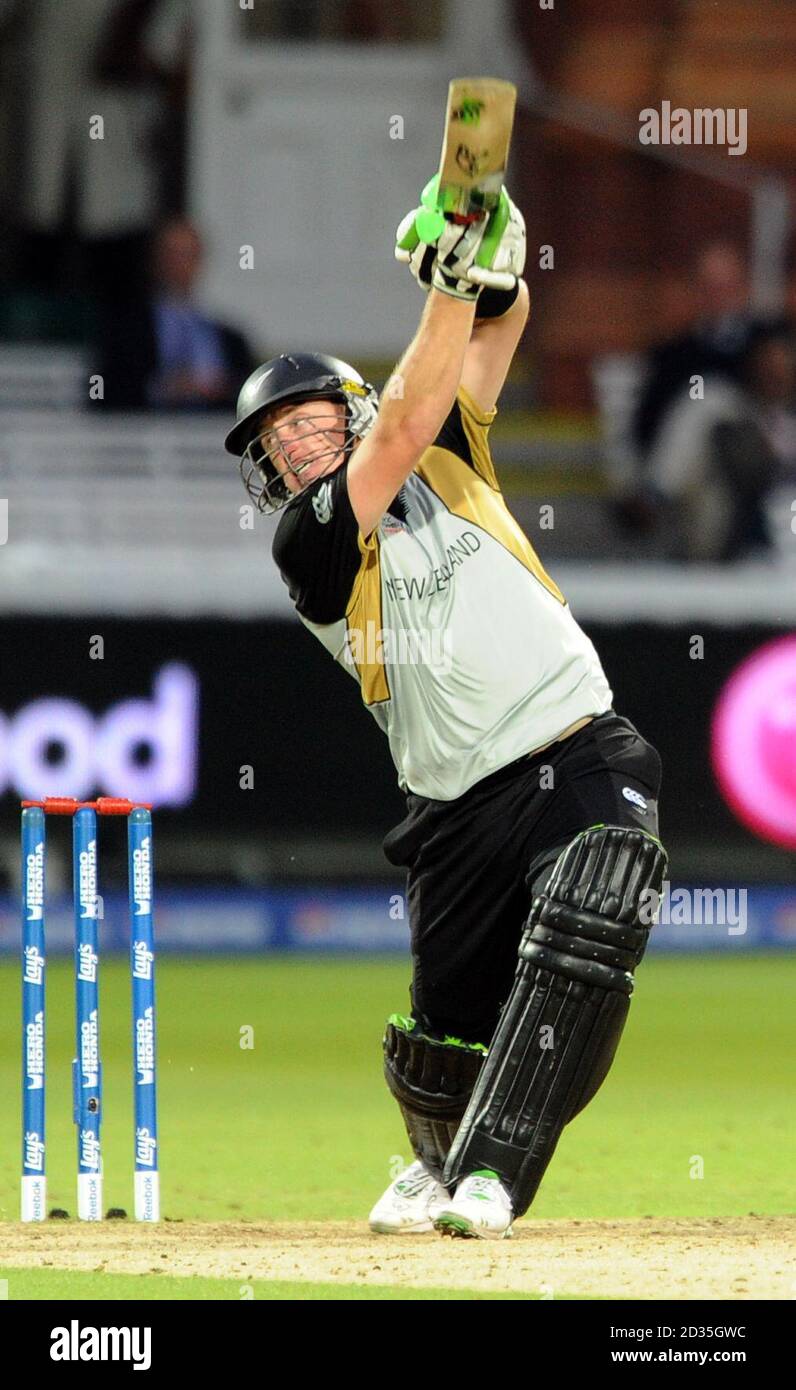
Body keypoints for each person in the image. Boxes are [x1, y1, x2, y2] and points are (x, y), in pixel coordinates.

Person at [225, 192, 668, 1239]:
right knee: (439, 1046)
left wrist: (490, 260)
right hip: (454, 806)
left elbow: (493, 334)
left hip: (575, 742)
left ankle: (495, 1176)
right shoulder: (312, 543)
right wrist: (445, 281)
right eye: (276, 441)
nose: (293, 447)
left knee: (596, 902)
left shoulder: (447, 452)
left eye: (304, 419)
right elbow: (413, 408)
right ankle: (437, 1164)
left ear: (347, 402)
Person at [96, 218, 256, 411]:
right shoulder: (125, 330)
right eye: (172, 254)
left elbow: (249, 398)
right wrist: (163, 388)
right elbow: (108, 393)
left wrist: (217, 389)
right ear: (154, 259)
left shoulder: (230, 339)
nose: (179, 264)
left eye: (188, 255)